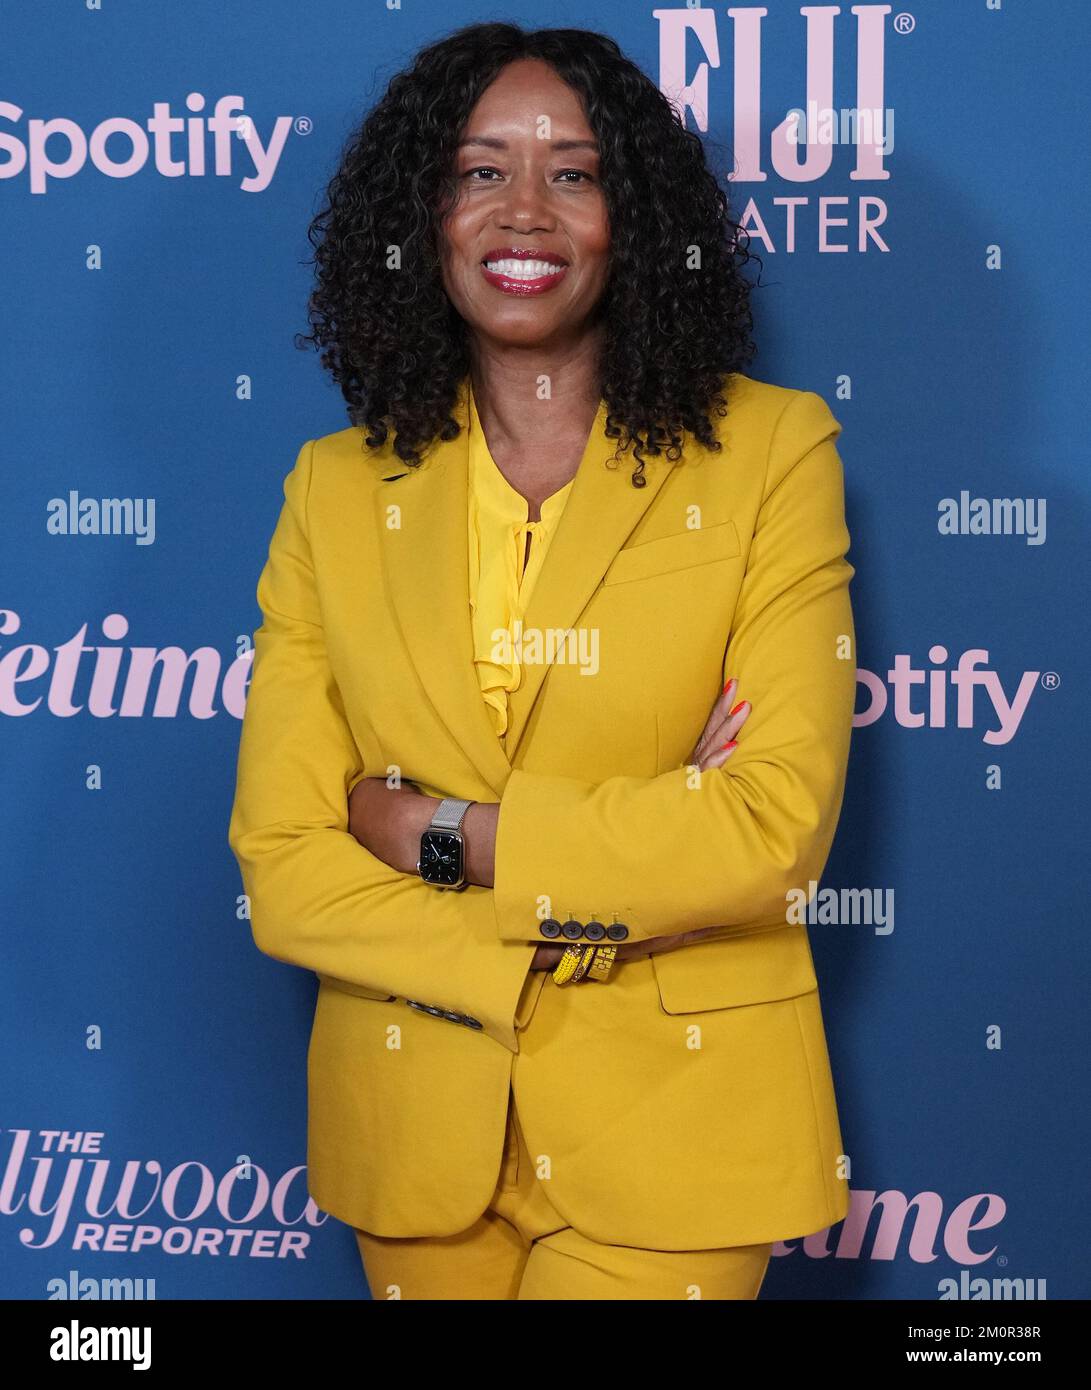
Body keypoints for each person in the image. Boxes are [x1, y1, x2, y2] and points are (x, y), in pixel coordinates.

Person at [228, 21, 856, 1301]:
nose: (526, 213)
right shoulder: (334, 490)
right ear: (424, 213)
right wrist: (577, 914)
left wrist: (436, 830)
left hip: (675, 1123)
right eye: (478, 172)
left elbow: (766, 825)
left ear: (632, 215)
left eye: (574, 173)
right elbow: (284, 867)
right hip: (412, 1131)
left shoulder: (769, 453)